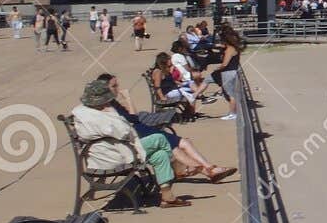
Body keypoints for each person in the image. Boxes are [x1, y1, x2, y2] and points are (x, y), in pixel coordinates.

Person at [70, 78, 190, 208]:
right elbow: (123, 131)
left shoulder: (88, 111)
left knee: (160, 155)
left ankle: (167, 197)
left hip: (114, 148)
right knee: (159, 138)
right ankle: (178, 166)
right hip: (112, 155)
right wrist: (112, 114)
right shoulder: (95, 115)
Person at [97, 74, 232, 183]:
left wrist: (127, 100)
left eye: (117, 85)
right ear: (104, 88)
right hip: (136, 134)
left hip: (139, 129)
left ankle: (210, 170)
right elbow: (131, 119)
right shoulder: (106, 106)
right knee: (180, 145)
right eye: (114, 86)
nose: (117, 88)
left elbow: (134, 117)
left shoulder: (113, 103)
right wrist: (127, 98)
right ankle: (210, 170)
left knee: (184, 143)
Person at [150, 51, 198, 120]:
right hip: (168, 93)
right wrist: (162, 97)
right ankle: (189, 113)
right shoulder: (158, 72)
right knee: (191, 93)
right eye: (169, 59)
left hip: (172, 89)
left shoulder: (164, 69)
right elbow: (157, 86)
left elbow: (169, 80)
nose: (171, 61)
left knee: (190, 86)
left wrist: (179, 83)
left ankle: (189, 112)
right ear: (164, 61)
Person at [210, 26, 243, 118]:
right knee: (231, 93)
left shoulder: (229, 50)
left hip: (228, 72)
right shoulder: (234, 47)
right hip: (233, 71)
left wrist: (217, 69)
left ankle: (233, 113)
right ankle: (233, 113)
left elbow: (225, 64)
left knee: (230, 94)